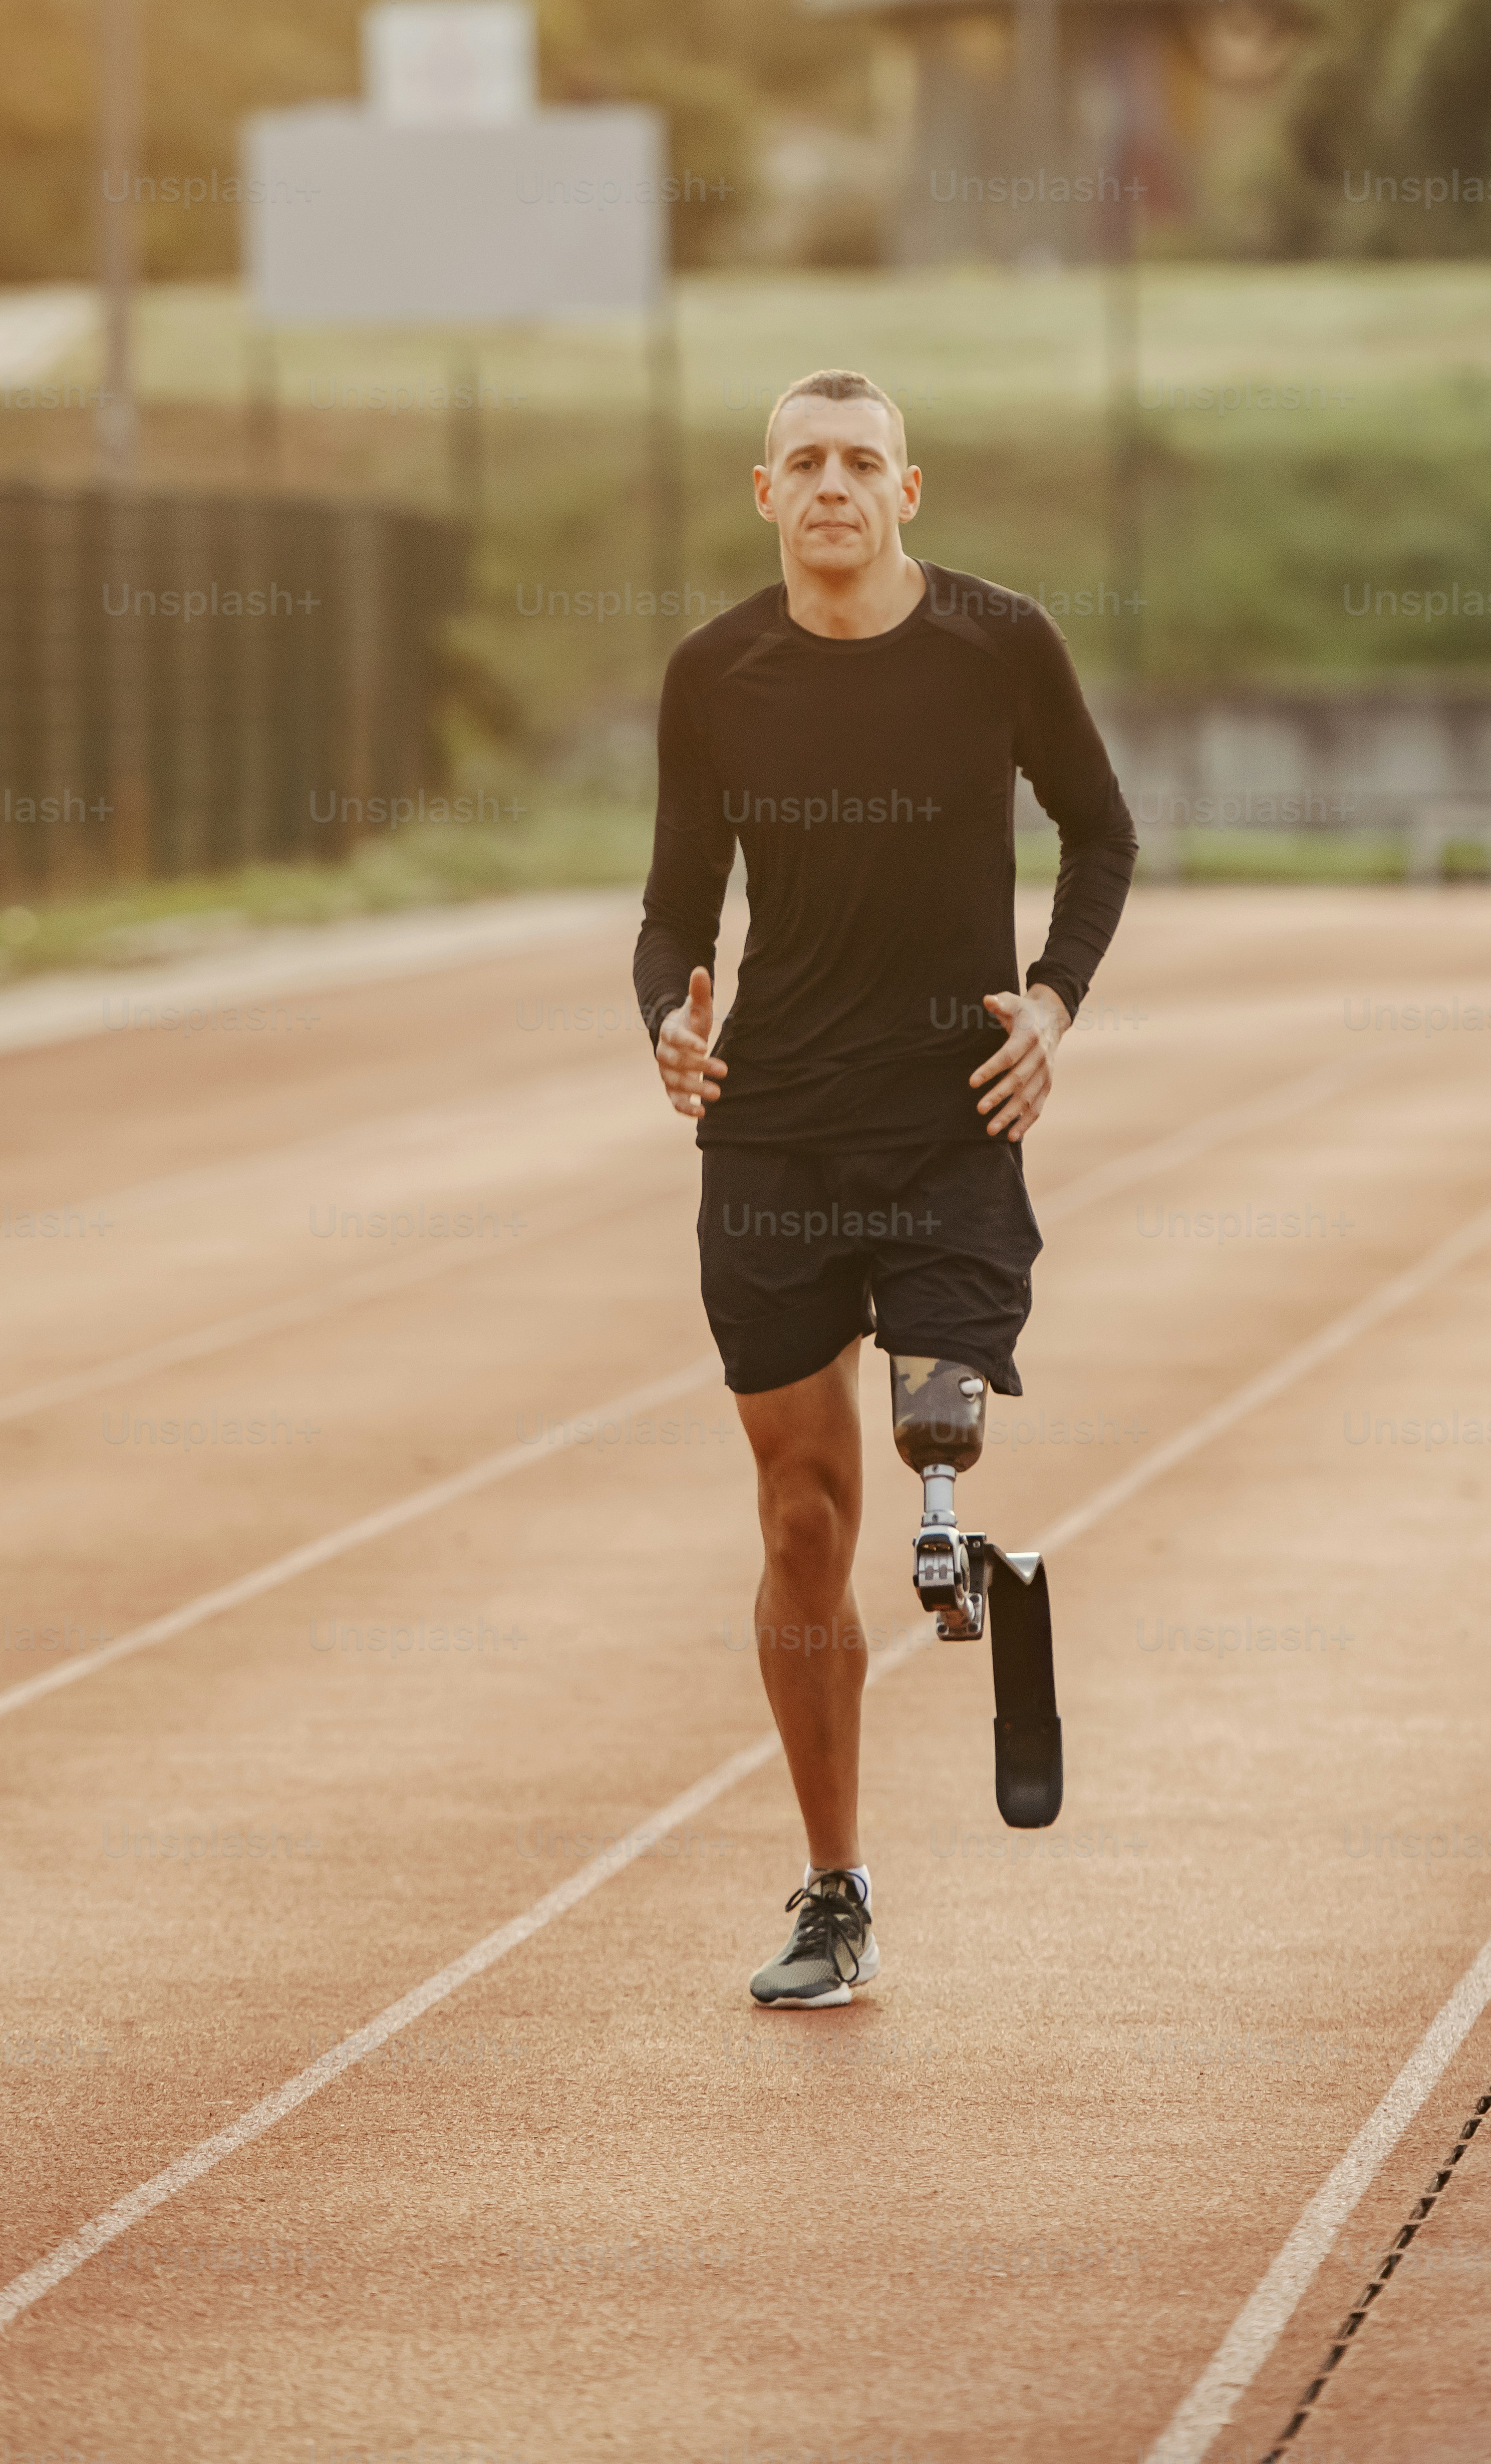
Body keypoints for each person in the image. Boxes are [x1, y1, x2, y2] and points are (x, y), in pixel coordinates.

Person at [634, 368, 1138, 2008]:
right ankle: (836, 1887)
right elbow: (674, 904)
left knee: (937, 1414)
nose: (835, 484)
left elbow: (1102, 833)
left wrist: (1050, 1005)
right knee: (796, 1516)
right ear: (764, 494)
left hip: (946, 1116)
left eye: (864, 461)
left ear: (906, 493)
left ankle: (955, 1525)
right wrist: (666, 1016)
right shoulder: (715, 674)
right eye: (807, 463)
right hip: (775, 1132)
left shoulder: (1001, 646)